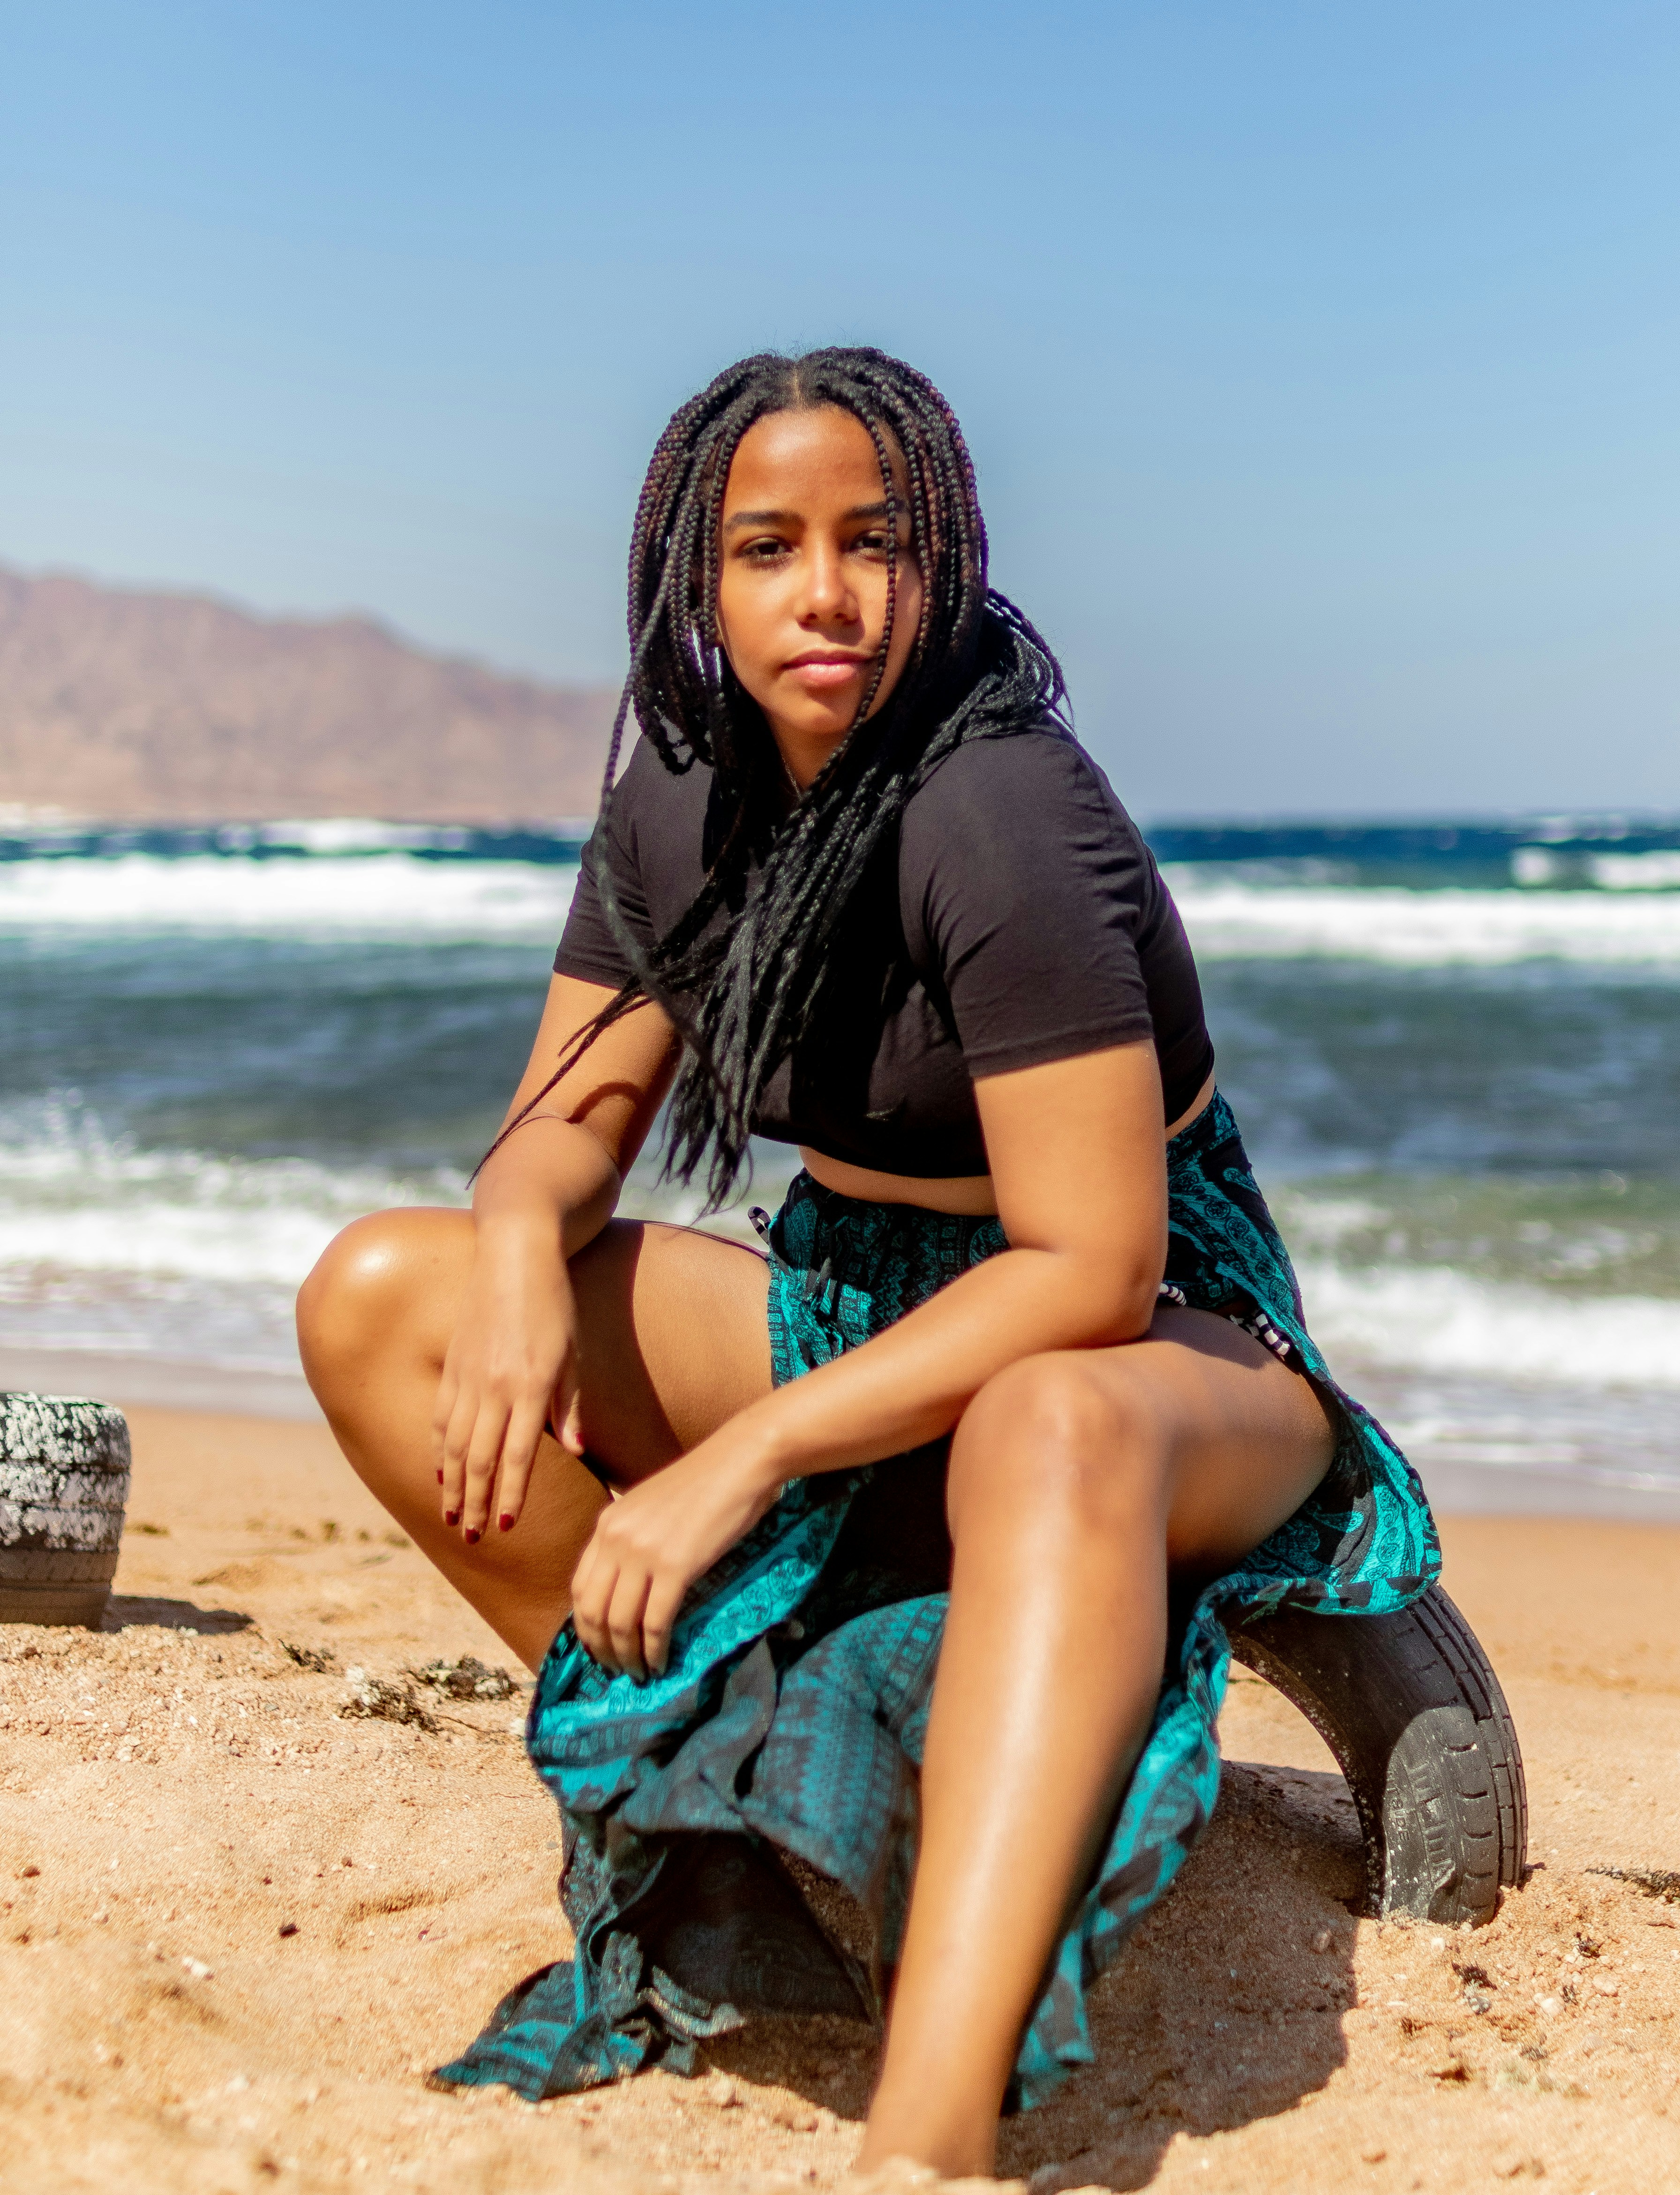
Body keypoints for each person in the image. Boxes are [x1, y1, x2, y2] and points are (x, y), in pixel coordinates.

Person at [297, 347, 1438, 2179]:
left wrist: (743, 1457)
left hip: (1156, 1343)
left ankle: (929, 2127)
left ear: (947, 557)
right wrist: (515, 1239)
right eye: (767, 547)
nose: (821, 593)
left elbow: (1088, 1265)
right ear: (700, 575)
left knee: (1046, 1424)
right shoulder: (679, 795)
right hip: (846, 1306)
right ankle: (722, 1817)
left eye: (873, 541)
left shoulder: (1002, 808)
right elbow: (568, 1121)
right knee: (380, 1300)